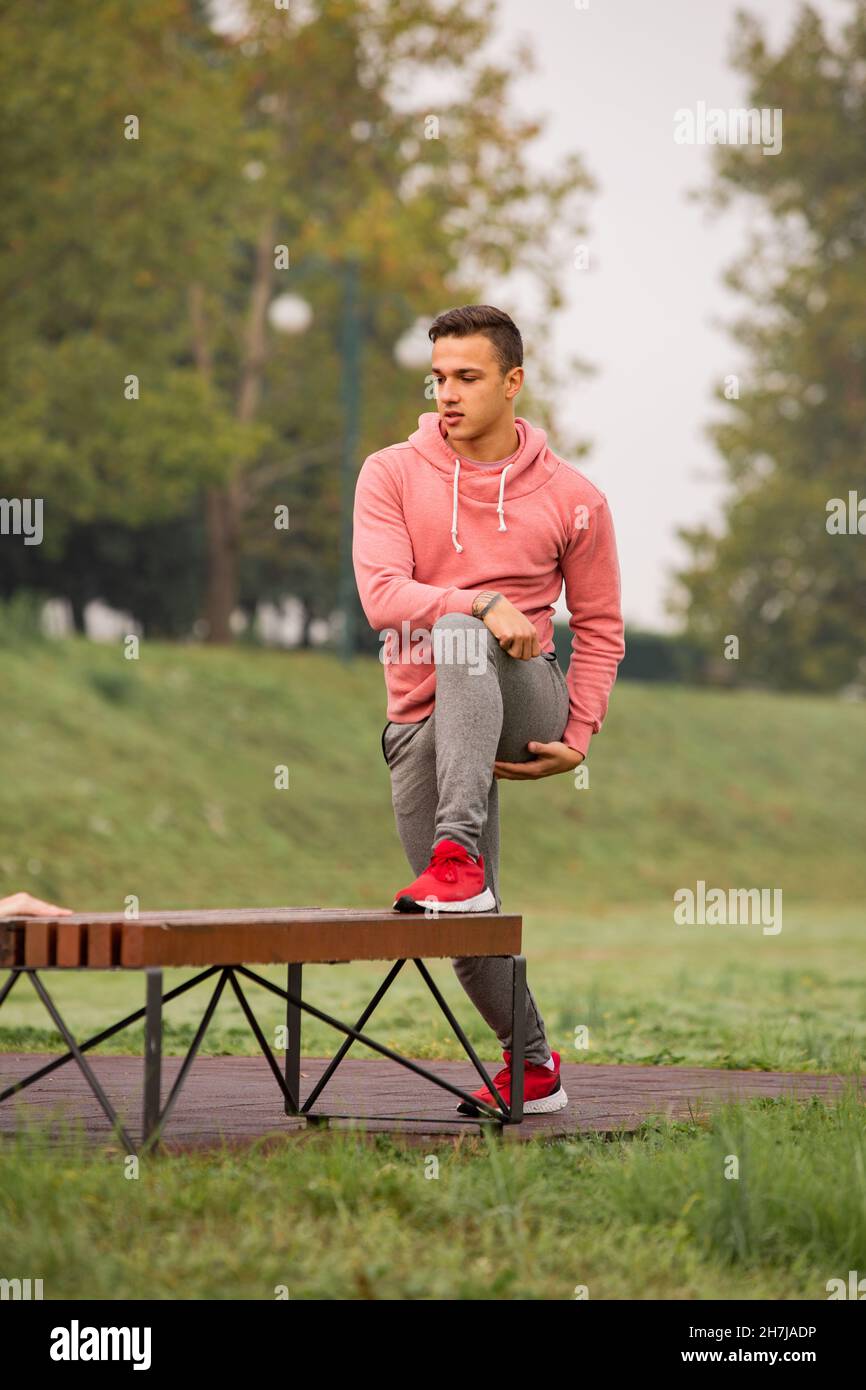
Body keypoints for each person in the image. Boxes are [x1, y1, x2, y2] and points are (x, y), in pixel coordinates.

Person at [352, 304, 625, 1116]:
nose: (447, 394)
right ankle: (535, 1069)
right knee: (458, 931)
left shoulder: (575, 499)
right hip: (420, 718)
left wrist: (579, 733)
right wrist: (478, 600)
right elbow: (382, 598)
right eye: (438, 378)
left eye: (467, 378)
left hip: (524, 692)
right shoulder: (390, 473)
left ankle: (456, 852)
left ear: (512, 382)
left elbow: (603, 626)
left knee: (465, 642)